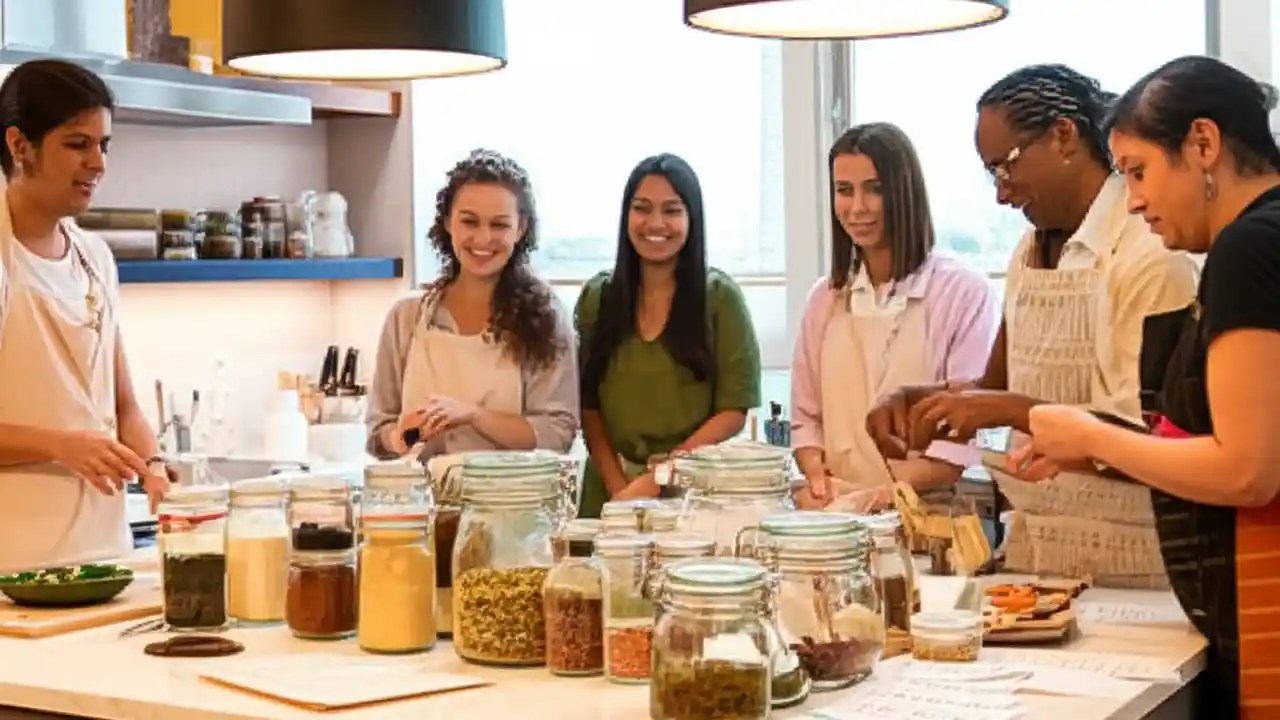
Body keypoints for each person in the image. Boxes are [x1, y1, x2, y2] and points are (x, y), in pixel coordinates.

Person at [1012, 55, 1280, 716]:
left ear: (1203, 144)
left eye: (1137, 171)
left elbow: (1248, 469)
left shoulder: (1250, 250)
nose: (1131, 199)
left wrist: (1095, 433)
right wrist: (1098, 450)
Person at [866, 63, 1199, 466]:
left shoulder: (1150, 253)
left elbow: (1154, 434)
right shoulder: (1028, 250)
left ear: (1063, 136)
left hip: (1133, 525)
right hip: (1034, 519)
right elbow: (996, 387)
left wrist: (1009, 410)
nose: (1002, 194)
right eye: (992, 174)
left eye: (1006, 166)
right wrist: (919, 402)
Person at [0, 60, 171, 574]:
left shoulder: (94, 258)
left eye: (104, 145)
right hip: (14, 570)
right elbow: (75, 436)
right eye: (78, 144)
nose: (98, 163)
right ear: (19, 145)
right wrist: (58, 444)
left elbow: (123, 407)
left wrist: (156, 469)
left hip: (103, 557)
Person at [790, 122, 998, 512]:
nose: (857, 207)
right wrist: (819, 482)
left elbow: (959, 435)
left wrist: (883, 495)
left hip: (929, 517)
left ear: (904, 192)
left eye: (875, 189)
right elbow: (806, 418)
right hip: (838, 515)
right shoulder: (825, 299)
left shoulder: (963, 293)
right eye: (843, 190)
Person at [575, 153, 761, 518]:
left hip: (693, 491)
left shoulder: (720, 299)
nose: (655, 223)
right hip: (609, 489)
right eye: (642, 208)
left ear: (692, 218)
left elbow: (733, 411)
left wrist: (661, 476)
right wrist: (620, 492)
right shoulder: (599, 298)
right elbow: (588, 407)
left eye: (672, 210)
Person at [366, 148, 578, 461]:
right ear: (448, 222)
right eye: (469, 221)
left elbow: (556, 434)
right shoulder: (406, 317)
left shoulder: (544, 317)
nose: (482, 238)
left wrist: (474, 415)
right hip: (419, 504)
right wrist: (403, 436)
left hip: (511, 502)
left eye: (499, 225)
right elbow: (378, 434)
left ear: (520, 229)